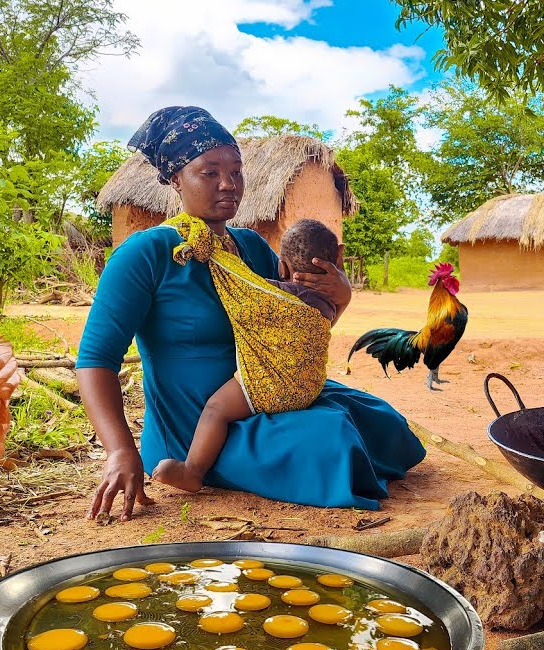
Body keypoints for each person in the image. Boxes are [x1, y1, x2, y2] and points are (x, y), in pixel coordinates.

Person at [76, 106, 425, 520]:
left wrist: (340, 298)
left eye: (236, 172)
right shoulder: (145, 254)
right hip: (197, 424)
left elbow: (295, 330)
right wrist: (119, 449)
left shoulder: (253, 248)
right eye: (209, 173)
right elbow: (95, 359)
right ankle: (198, 468)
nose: (229, 184)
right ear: (175, 179)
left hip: (264, 393)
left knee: (381, 421)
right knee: (333, 439)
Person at [151, 219, 341, 493]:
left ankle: (192, 471)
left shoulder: (265, 294)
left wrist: (214, 252)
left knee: (216, 409)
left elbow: (235, 281)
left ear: (283, 267)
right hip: (309, 386)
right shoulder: (329, 302)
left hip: (273, 386)